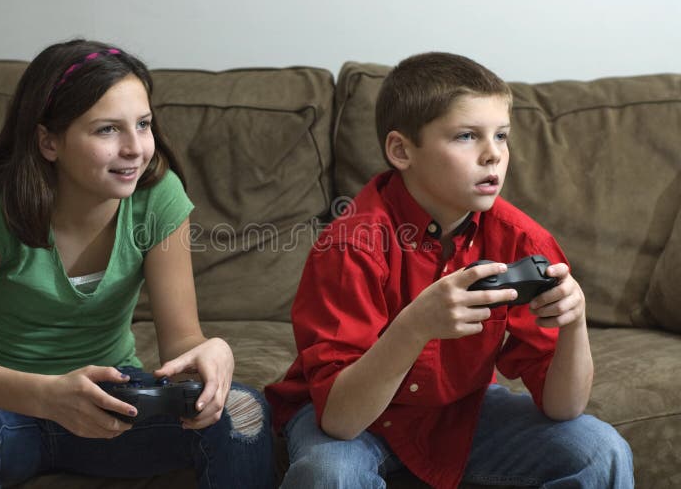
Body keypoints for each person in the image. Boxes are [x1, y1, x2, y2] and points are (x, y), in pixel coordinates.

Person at [0, 39, 274, 489]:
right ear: (49, 141)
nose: (135, 148)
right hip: (6, 408)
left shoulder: (158, 199)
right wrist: (48, 396)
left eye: (143, 125)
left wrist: (209, 352)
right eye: (107, 130)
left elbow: (180, 341)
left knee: (244, 412)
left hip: (113, 404)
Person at [265, 52, 633, 488]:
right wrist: (414, 327)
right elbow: (341, 420)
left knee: (600, 449)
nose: (493, 155)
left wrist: (575, 324)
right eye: (466, 136)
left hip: (457, 412)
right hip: (356, 417)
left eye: (501, 136)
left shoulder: (522, 240)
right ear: (402, 150)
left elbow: (563, 408)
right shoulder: (351, 244)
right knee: (328, 473)